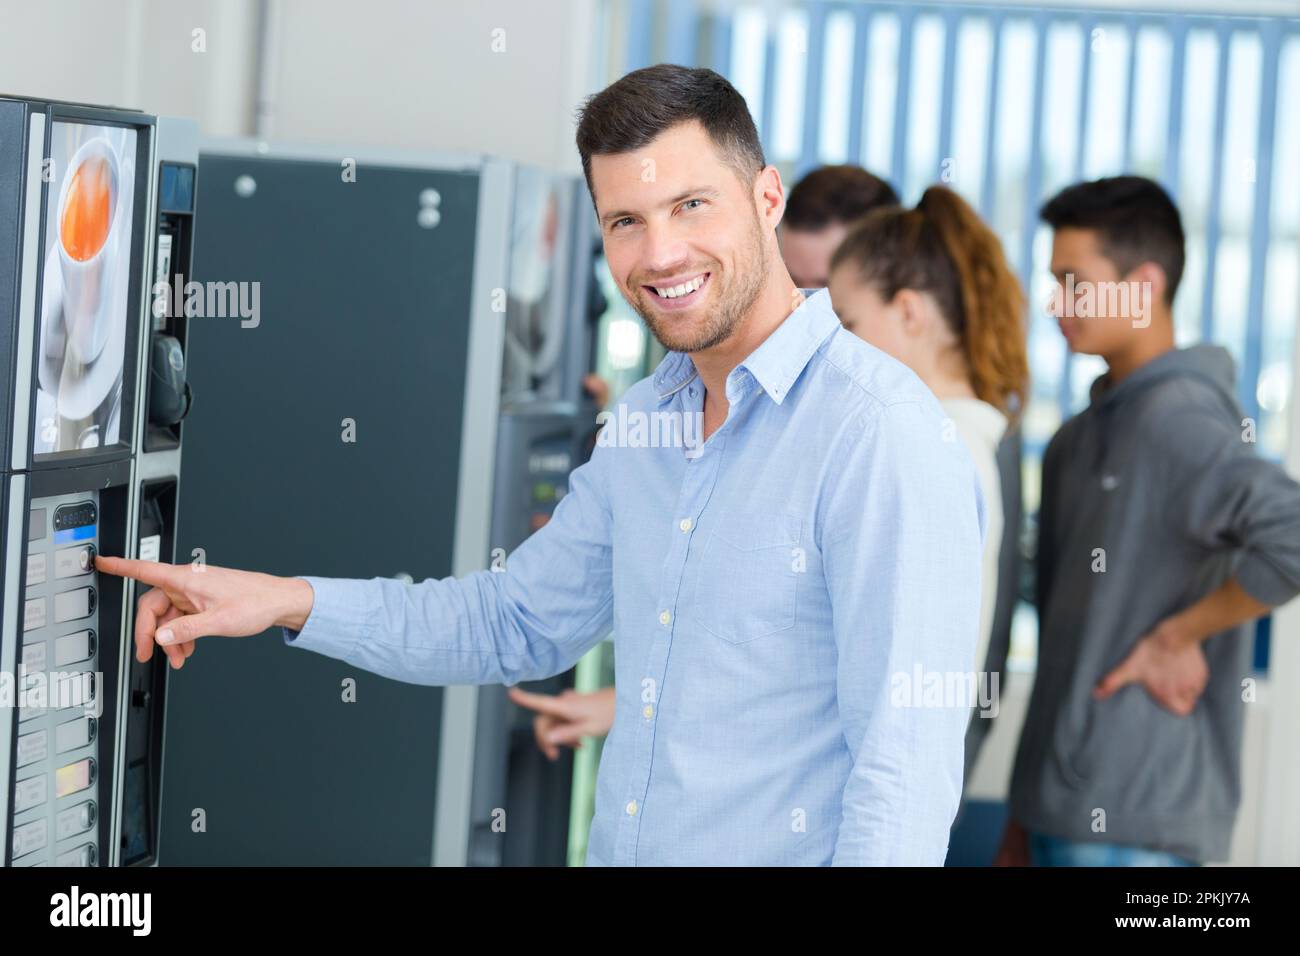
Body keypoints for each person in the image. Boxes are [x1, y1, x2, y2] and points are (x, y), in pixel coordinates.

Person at [99, 64, 984, 866]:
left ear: (766, 197)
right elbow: (513, 622)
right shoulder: (646, 423)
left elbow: (900, 785)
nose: (661, 255)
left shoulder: (880, 435)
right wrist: (286, 600)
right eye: (626, 223)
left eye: (691, 206)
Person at [512, 162, 903, 760]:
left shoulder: (889, 435)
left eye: (825, 293)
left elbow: (891, 727)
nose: (799, 310)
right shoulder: (681, 405)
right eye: (793, 280)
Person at [994, 175, 1300, 867]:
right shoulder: (1080, 438)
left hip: (1135, 830)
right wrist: (1022, 816)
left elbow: (1293, 532)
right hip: (1059, 810)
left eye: (1074, 281)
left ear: (1145, 283)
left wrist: (1178, 636)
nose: (1055, 303)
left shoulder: (1177, 419)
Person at [828, 185, 1028, 707]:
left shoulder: (930, 450)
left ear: (909, 314)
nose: (835, 345)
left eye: (848, 323)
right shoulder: (948, 441)